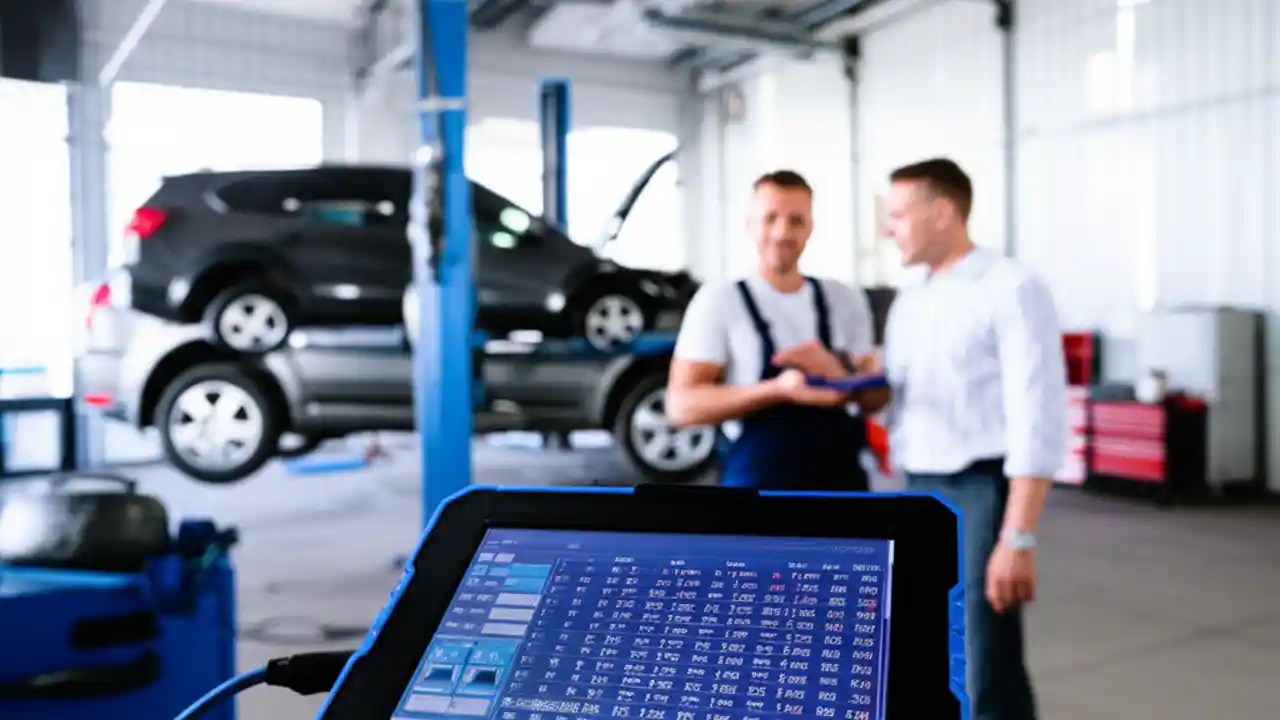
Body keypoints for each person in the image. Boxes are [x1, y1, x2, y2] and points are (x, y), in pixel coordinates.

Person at [880, 158, 1066, 720]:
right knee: (926, 661)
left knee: (984, 668)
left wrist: (1019, 537)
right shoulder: (911, 300)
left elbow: (1038, 413)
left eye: (897, 214)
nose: (889, 228)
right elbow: (898, 393)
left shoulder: (1010, 287)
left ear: (942, 213)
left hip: (979, 494)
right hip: (915, 490)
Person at [665, 170, 887, 490]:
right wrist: (778, 390)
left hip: (841, 486)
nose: (783, 232)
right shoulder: (719, 301)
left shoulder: (845, 300)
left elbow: (875, 399)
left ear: (810, 227)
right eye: (770, 218)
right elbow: (681, 406)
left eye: (796, 221)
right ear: (749, 225)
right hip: (758, 488)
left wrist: (841, 378)